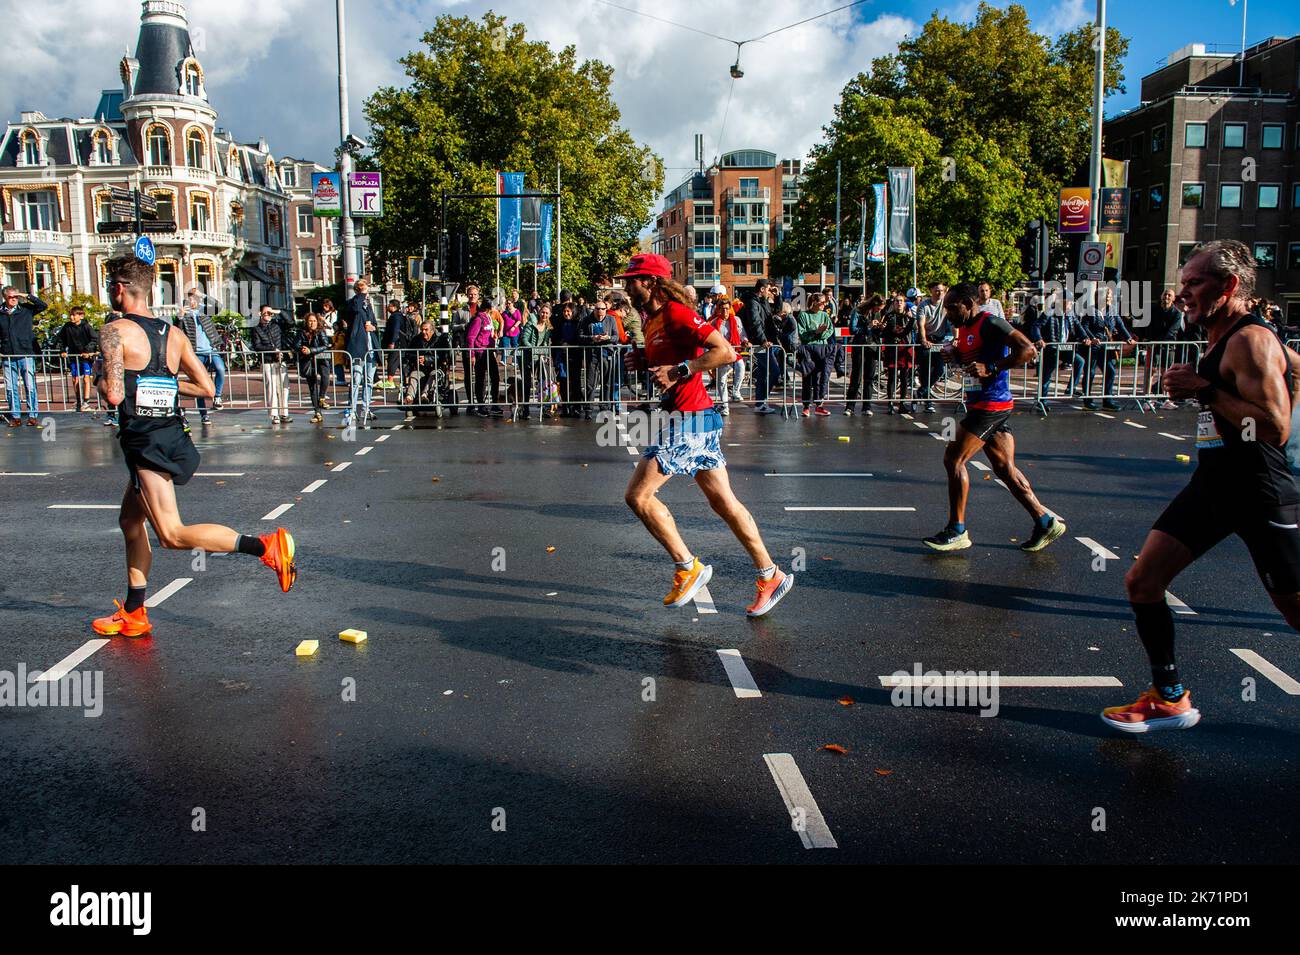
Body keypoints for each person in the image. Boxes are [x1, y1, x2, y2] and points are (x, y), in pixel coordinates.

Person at [1103, 241, 1300, 732]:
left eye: (1194, 283)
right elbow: (1293, 366)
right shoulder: (1225, 335)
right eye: (1184, 282)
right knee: (1142, 581)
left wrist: (1204, 389)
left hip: (1259, 491)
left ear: (1228, 286)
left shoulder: (1248, 340)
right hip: (1214, 486)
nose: (1183, 293)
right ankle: (1170, 698)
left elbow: (1274, 428)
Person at [90, 253, 296, 638]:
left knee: (170, 533)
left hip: (145, 442)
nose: (109, 294)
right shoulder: (174, 333)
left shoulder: (113, 330)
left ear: (119, 289)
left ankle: (265, 547)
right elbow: (205, 387)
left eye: (109, 288)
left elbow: (115, 395)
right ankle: (134, 611)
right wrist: (166, 384)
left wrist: (101, 380)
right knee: (130, 521)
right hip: (172, 434)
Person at [619, 254, 793, 617]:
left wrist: (681, 369)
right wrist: (644, 363)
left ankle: (688, 567)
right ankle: (770, 574)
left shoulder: (678, 314)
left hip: (690, 420)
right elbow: (667, 362)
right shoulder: (651, 319)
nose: (625, 286)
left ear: (649, 282)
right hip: (693, 418)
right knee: (724, 502)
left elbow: (726, 352)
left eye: (631, 280)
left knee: (638, 496)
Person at [923, 282, 1067, 553]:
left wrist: (991, 366)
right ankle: (1045, 521)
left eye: (953, 309)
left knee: (953, 459)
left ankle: (957, 530)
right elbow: (972, 365)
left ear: (969, 303)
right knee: (1004, 469)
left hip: (992, 405)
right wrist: (954, 356)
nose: (949, 315)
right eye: (946, 310)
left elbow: (1027, 350)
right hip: (984, 403)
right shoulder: (965, 328)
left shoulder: (991, 322)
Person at [0, 284, 46, 427]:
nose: (14, 299)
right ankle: (16, 416)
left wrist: (27, 296)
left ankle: (32, 415)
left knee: (30, 385)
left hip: (26, 352)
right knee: (10, 387)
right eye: (11, 297)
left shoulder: (26, 309)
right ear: (5, 297)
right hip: (8, 354)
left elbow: (43, 306)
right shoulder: (0, 312)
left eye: (16, 296)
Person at [177, 290, 225, 423]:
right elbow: (179, 332)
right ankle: (204, 414)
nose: (193, 302)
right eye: (190, 300)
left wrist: (202, 295)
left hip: (211, 349)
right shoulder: (184, 315)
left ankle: (217, 396)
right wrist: (180, 317)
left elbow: (219, 307)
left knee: (221, 369)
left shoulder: (204, 312)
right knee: (199, 383)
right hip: (195, 353)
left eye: (195, 300)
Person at [340, 279, 379, 429]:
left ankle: (366, 408)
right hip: (358, 347)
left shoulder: (368, 305)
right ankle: (352, 409)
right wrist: (361, 296)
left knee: (369, 380)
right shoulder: (353, 303)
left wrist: (373, 328)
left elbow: (374, 322)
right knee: (356, 379)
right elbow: (353, 309)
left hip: (370, 347)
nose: (367, 294)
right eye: (364, 291)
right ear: (358, 292)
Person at [250, 305, 290, 424]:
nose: (268, 315)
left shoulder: (277, 325)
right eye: (266, 312)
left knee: (283, 386)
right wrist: (273, 349)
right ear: (260, 314)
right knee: (271, 387)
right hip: (268, 360)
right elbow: (257, 346)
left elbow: (290, 322)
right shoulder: (256, 328)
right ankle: (274, 414)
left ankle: (284, 413)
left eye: (270, 313)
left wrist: (278, 311)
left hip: (281, 360)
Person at [845, 294, 884, 416]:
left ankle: (867, 406)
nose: (879, 311)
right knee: (856, 377)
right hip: (860, 346)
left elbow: (876, 332)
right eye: (879, 308)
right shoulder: (858, 311)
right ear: (874, 304)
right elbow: (852, 329)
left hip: (872, 347)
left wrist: (880, 327)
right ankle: (850, 407)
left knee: (869, 378)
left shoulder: (877, 314)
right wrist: (868, 327)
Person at [796, 293, 834, 416]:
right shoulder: (804, 315)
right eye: (822, 302)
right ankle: (806, 406)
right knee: (807, 377)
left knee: (819, 377)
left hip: (821, 348)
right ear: (815, 302)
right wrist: (816, 332)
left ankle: (819, 405)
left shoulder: (824, 315)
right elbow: (802, 334)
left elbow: (830, 330)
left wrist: (821, 334)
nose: (825, 305)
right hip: (808, 349)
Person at [915, 282, 950, 413]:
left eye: (941, 290)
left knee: (940, 369)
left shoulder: (946, 304)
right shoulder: (923, 305)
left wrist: (956, 338)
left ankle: (923, 389)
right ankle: (928, 401)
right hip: (926, 339)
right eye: (936, 290)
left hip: (939, 340)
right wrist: (924, 340)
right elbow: (921, 324)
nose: (939, 293)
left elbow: (953, 323)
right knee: (925, 371)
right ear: (931, 291)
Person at [57, 306, 98, 412]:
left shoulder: (86, 326)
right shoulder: (67, 327)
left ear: (81, 316)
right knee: (75, 379)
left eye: (74, 315)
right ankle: (78, 401)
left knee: (86, 378)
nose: (72, 317)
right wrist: (63, 351)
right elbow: (61, 340)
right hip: (73, 356)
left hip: (85, 357)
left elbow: (94, 339)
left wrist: (87, 351)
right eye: (70, 315)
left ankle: (86, 401)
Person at [881, 291, 916, 413]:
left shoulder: (909, 317)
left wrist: (911, 320)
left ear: (905, 304)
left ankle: (902, 404)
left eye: (901, 301)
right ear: (894, 303)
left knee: (904, 377)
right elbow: (888, 332)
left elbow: (907, 333)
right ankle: (890, 404)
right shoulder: (889, 316)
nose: (899, 303)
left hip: (905, 348)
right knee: (892, 377)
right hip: (892, 348)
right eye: (897, 301)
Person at [297, 312, 332, 423]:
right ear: (307, 322)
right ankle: (317, 412)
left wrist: (311, 350)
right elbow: (295, 344)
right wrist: (302, 348)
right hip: (308, 361)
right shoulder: (302, 332)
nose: (312, 323)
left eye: (314, 321)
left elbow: (326, 345)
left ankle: (322, 398)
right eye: (310, 321)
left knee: (325, 377)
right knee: (312, 386)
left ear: (318, 322)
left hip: (321, 359)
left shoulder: (321, 332)